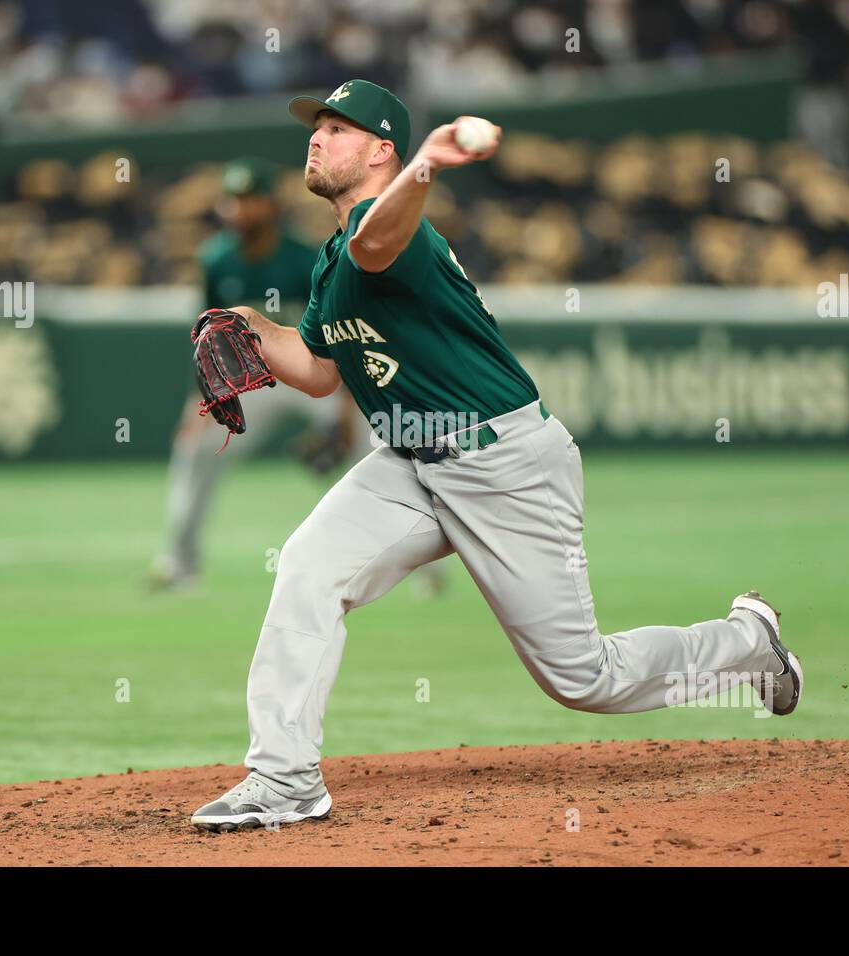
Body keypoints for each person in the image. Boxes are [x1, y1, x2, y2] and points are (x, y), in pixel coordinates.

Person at [190, 81, 802, 832]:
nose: (317, 137)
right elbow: (319, 371)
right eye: (316, 125)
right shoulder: (330, 264)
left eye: (339, 128)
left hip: (503, 461)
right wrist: (254, 325)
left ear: (384, 150)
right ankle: (283, 779)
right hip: (410, 461)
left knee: (584, 678)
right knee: (307, 568)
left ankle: (748, 645)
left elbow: (381, 241)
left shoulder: (398, 236)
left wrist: (429, 167)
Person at [148, 157, 350, 591]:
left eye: (250, 200)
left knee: (379, 444)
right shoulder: (217, 259)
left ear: (270, 206)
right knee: (198, 449)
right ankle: (180, 564)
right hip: (251, 384)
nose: (240, 211)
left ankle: (422, 565)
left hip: (311, 373)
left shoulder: (305, 257)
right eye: (233, 201)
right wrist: (199, 400)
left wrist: (349, 404)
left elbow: (337, 329)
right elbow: (206, 336)